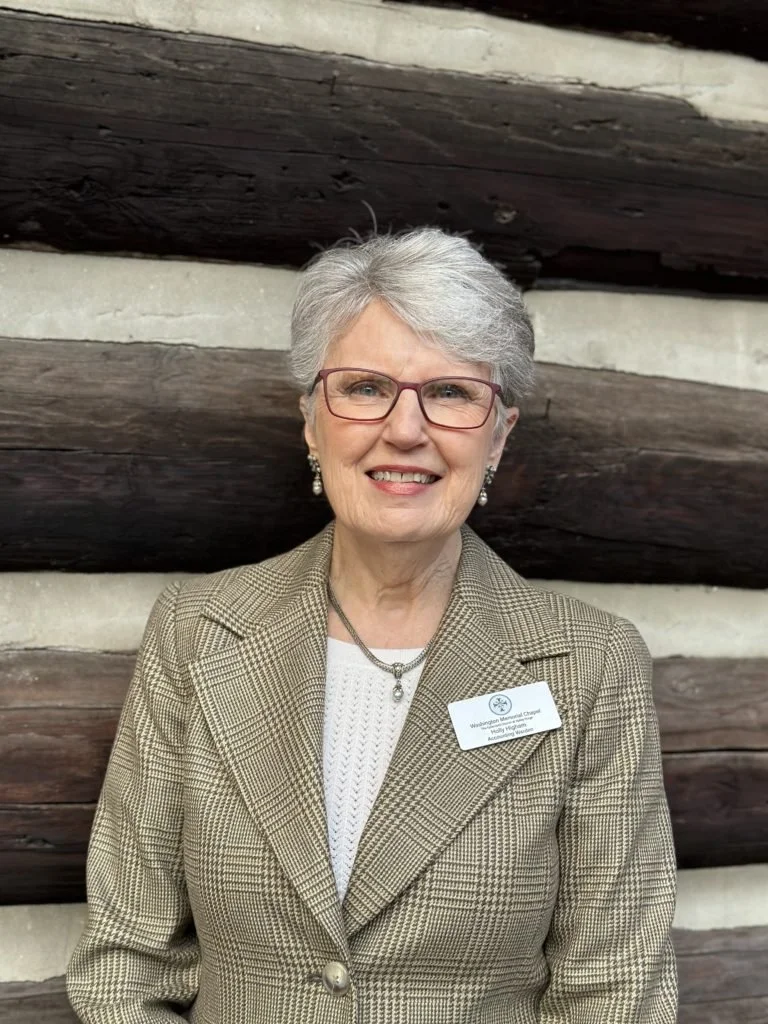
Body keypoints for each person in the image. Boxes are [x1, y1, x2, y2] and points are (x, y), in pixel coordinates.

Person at [67, 226, 677, 1023]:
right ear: (312, 422)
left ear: (499, 436)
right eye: (364, 387)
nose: (405, 429)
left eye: (452, 393)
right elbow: (125, 963)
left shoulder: (589, 667)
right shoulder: (197, 634)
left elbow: (616, 991)